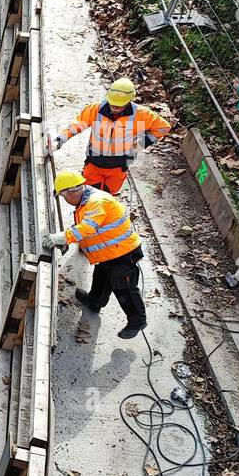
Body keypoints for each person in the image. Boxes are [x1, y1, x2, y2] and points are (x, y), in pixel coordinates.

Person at [43, 170, 147, 340]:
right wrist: (67, 240)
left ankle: (137, 321)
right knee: (101, 278)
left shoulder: (97, 202)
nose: (65, 200)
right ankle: (94, 302)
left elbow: (87, 229)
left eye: (63, 197)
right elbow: (87, 228)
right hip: (109, 253)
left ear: (69, 194)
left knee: (125, 289)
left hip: (122, 253)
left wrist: (61, 238)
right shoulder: (86, 201)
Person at [51, 77, 170, 194]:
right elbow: (76, 126)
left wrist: (139, 146)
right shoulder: (95, 109)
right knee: (88, 197)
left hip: (119, 167)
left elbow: (163, 127)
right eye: (112, 104)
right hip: (94, 164)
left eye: (118, 106)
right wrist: (59, 141)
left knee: (108, 197)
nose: (114, 108)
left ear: (129, 101)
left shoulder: (141, 114)